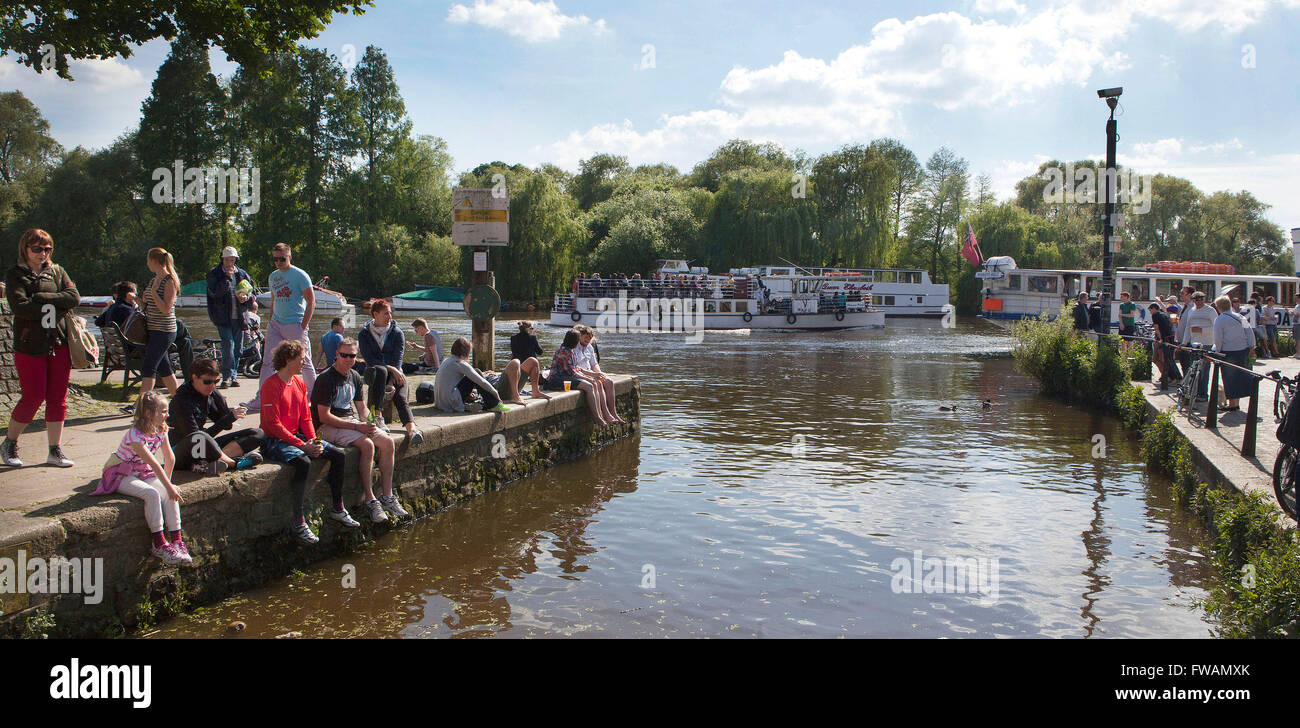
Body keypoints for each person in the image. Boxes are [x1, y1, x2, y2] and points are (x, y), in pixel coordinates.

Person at [259, 339, 355, 545]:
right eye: (301, 359)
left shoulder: (299, 383)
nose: (304, 362)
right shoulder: (270, 385)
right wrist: (302, 446)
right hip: (274, 440)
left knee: (338, 455)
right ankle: (298, 521)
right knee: (303, 462)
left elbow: (305, 417)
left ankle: (338, 508)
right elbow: (272, 424)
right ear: (288, 359)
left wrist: (314, 440)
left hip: (296, 436)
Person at [310, 337, 409, 524]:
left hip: (350, 421)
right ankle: (370, 500)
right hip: (327, 427)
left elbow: (361, 408)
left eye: (352, 356)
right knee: (367, 444)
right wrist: (358, 427)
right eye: (344, 355)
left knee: (387, 442)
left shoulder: (354, 376)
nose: (348, 359)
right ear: (337, 354)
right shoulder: (326, 379)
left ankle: (387, 497)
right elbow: (323, 417)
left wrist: (370, 423)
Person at [2, 228, 79, 468]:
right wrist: (57, 304)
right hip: (29, 344)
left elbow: (73, 297)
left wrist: (43, 299)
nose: (42, 253)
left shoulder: (57, 271)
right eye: (37, 248)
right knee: (33, 396)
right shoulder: (15, 274)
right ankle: (9, 443)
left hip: (58, 342)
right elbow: (20, 307)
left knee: (58, 398)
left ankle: (55, 450)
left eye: (47, 249)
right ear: (25, 249)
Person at [92, 390, 190, 565]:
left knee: (168, 493)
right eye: (163, 411)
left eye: (167, 411)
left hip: (142, 472)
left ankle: (177, 541)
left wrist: (168, 486)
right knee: (152, 494)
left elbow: (170, 458)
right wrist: (167, 486)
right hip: (121, 474)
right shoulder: (135, 436)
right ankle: (159, 544)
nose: (167, 415)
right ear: (148, 413)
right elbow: (154, 463)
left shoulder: (161, 429)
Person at [246, 242, 316, 410]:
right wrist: (270, 321)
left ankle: (313, 396)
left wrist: (303, 326)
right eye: (275, 259)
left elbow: (311, 301)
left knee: (304, 361)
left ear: (289, 257)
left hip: (295, 323)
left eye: (282, 259)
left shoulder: (300, 275)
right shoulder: (273, 276)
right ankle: (262, 398)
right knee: (267, 361)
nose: (278, 262)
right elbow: (274, 300)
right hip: (276, 323)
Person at [168, 357, 265, 474]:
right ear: (194, 378)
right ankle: (233, 463)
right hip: (181, 452)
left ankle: (214, 463)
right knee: (201, 436)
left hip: (203, 447)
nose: (212, 385)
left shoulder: (209, 394)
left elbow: (227, 426)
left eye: (216, 381)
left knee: (258, 433)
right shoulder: (181, 400)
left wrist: (220, 399)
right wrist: (229, 418)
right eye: (207, 382)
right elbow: (195, 437)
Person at [356, 299, 422, 444]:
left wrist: (391, 382)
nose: (389, 317)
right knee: (380, 370)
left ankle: (412, 430)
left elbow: (398, 360)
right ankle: (377, 416)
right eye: (385, 314)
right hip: (373, 372)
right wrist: (390, 368)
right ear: (375, 314)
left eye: (390, 313)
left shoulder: (397, 333)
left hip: (394, 373)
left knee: (399, 395)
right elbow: (370, 359)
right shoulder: (364, 334)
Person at [543, 329, 619, 424]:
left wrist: (591, 376)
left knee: (595, 383)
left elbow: (576, 369)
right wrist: (588, 378)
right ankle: (597, 417)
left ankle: (600, 415)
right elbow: (572, 372)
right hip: (557, 380)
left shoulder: (569, 350)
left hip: (566, 378)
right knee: (589, 385)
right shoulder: (564, 352)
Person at [206, 246, 254, 389]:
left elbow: (252, 292)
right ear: (222, 259)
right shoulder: (214, 274)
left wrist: (246, 297)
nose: (229, 263)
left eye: (232, 260)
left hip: (239, 317)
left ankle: (233, 376)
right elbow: (215, 293)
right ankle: (226, 377)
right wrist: (227, 278)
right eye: (227, 260)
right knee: (228, 345)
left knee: (238, 349)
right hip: (222, 317)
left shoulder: (242, 274)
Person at [138, 247, 181, 402]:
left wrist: (154, 293)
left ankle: (141, 404)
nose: (147, 263)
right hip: (153, 329)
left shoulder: (169, 281)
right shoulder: (153, 280)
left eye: (148, 260)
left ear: (154, 261)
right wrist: (136, 300)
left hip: (164, 331)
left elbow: (165, 309)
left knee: (149, 367)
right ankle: (179, 400)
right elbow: (148, 307)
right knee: (165, 368)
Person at [433, 337, 509, 413]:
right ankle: (493, 405)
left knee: (475, 374)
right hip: (451, 403)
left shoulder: (447, 361)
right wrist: (496, 393)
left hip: (440, 403)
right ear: (466, 351)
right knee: (477, 371)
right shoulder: (459, 363)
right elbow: (481, 381)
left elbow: (455, 381)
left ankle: (486, 402)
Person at [1212, 295, 1256, 411]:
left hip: (1228, 352)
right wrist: (1252, 347)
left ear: (1219, 307)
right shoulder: (1240, 317)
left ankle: (1232, 404)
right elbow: (1249, 332)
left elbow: (1218, 339)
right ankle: (1236, 402)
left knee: (1229, 378)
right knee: (1240, 376)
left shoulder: (1219, 320)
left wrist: (1217, 351)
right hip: (1243, 350)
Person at [573, 325, 622, 423]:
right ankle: (606, 414)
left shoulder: (590, 347)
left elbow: (594, 364)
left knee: (608, 382)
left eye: (589, 338)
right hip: (581, 373)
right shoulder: (574, 347)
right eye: (585, 337)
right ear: (580, 336)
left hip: (590, 372)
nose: (587, 340)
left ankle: (614, 413)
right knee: (598, 383)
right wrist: (594, 375)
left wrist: (599, 373)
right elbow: (575, 367)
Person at [1179, 291, 1217, 401]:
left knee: (1204, 370)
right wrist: (1184, 342)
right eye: (1196, 299)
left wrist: (1202, 330)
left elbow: (1216, 326)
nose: (1199, 301)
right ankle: (1191, 393)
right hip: (1194, 343)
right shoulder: (1191, 311)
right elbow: (1188, 327)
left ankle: (1203, 394)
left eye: (1201, 299)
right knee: (1192, 368)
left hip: (1206, 343)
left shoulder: (1210, 311)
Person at [1148, 303, 1180, 389]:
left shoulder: (1157, 315)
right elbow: (1172, 327)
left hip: (1166, 338)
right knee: (1167, 359)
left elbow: (1157, 328)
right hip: (1171, 337)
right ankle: (1170, 377)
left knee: (1168, 359)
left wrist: (1160, 338)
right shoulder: (1166, 316)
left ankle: (1176, 378)